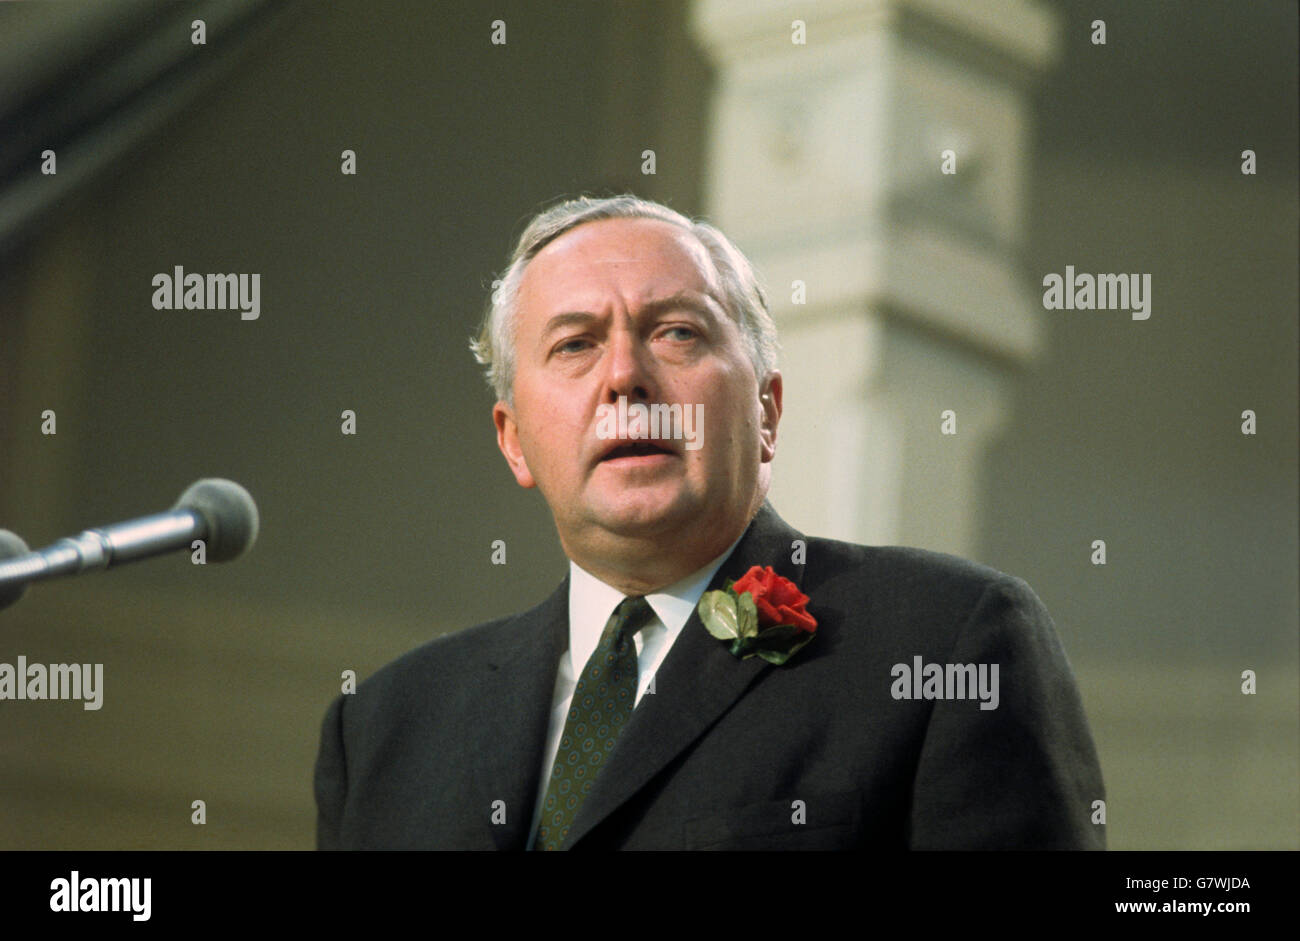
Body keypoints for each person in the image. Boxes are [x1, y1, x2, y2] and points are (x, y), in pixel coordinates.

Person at [313, 194, 1106, 850]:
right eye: (575, 343)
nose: (625, 375)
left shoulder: (943, 639)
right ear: (514, 439)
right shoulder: (384, 729)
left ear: (766, 408)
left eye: (676, 332)